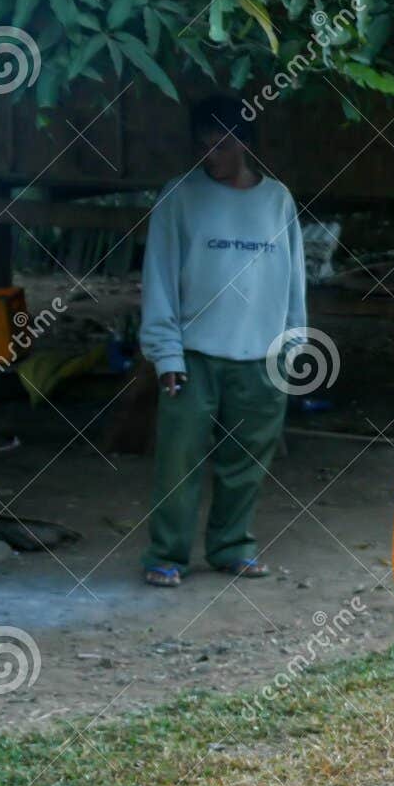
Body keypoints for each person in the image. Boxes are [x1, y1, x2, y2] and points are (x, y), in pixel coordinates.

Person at [138, 95, 306, 587]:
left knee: (247, 463)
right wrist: (165, 352)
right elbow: (160, 280)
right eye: (205, 145)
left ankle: (232, 547)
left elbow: (294, 282)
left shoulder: (277, 199)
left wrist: (294, 347)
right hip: (193, 356)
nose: (212, 154)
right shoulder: (178, 197)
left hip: (263, 356)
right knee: (178, 460)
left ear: (245, 144)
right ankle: (165, 555)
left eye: (223, 144)